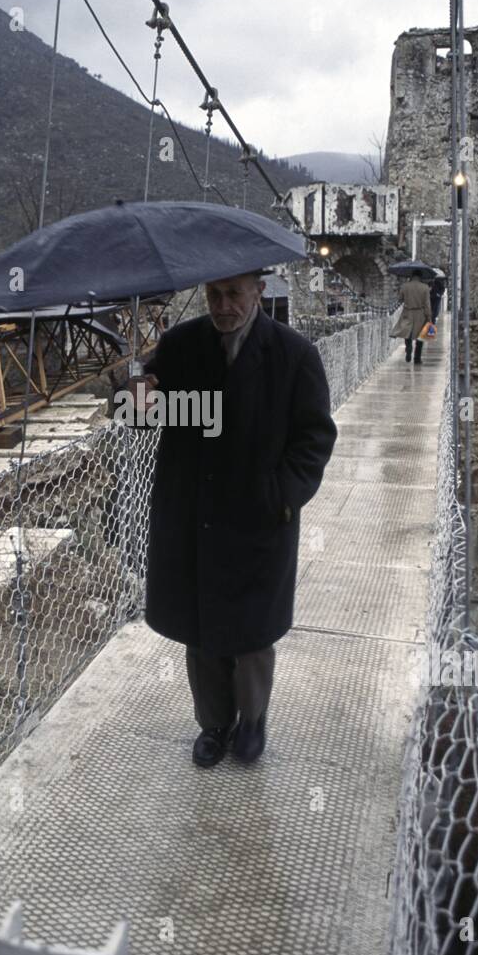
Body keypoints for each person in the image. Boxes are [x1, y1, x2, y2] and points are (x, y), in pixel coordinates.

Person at [138, 270, 338, 768]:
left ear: (258, 291)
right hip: (194, 518)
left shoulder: (295, 356)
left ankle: (252, 721)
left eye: (233, 294)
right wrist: (134, 392)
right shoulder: (181, 345)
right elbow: (146, 416)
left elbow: (315, 438)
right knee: (202, 632)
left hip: (257, 520)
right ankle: (213, 727)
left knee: (251, 633)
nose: (222, 305)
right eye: (213, 295)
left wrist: (280, 497)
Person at [390, 268, 433, 365]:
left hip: (407, 312)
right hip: (420, 314)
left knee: (407, 332)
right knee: (420, 336)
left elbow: (400, 299)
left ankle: (408, 349)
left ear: (412, 276)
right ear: (420, 277)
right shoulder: (425, 287)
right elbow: (427, 304)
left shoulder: (404, 286)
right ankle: (417, 358)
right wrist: (429, 316)